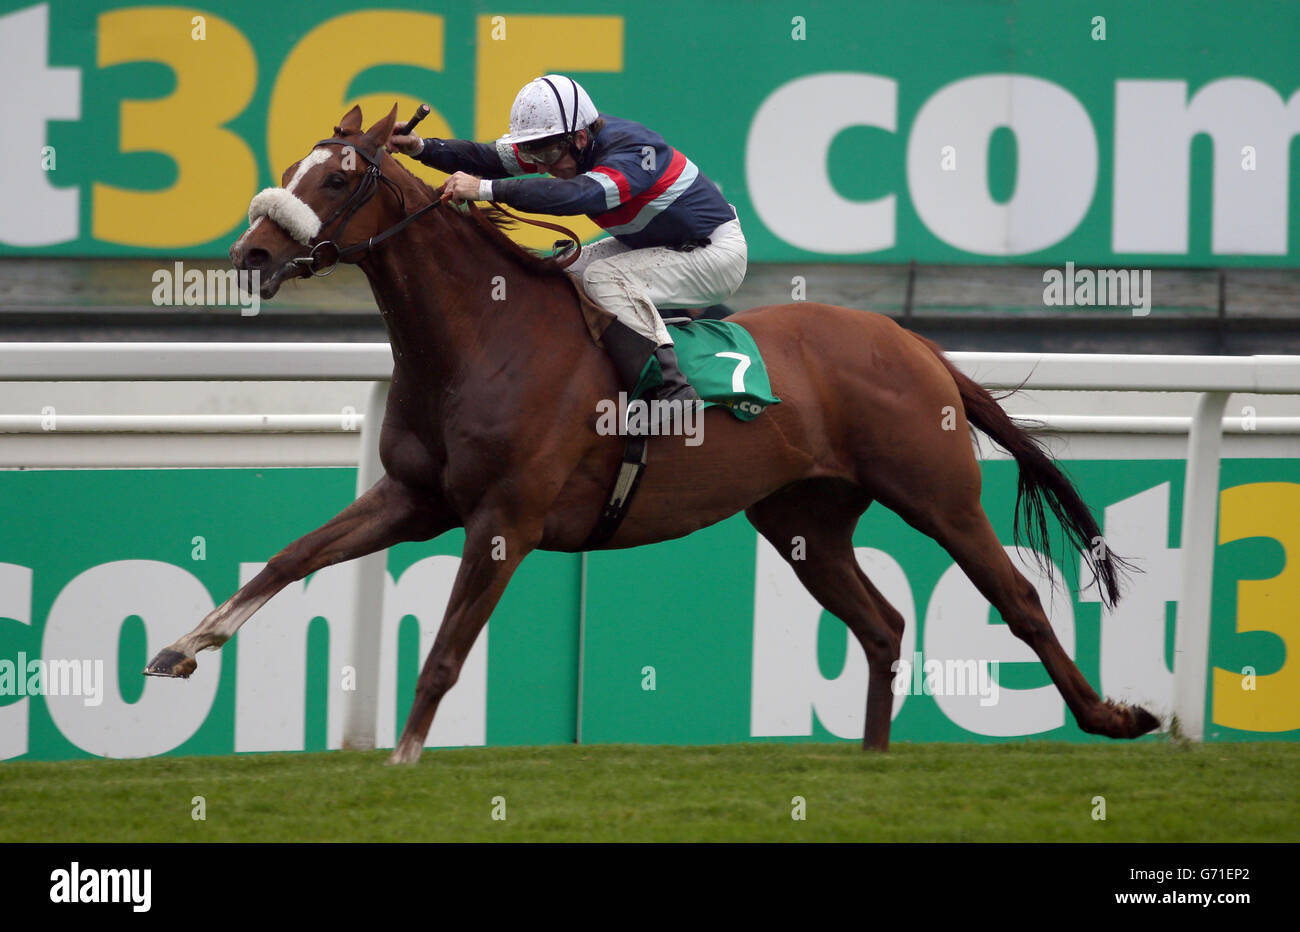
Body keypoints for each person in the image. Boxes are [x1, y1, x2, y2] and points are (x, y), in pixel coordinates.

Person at [386, 74, 747, 420]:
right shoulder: (560, 145)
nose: (544, 165)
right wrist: (421, 147)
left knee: (604, 277)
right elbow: (486, 158)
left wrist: (484, 189)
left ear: (579, 137)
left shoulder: (635, 150)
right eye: (534, 153)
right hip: (666, 246)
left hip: (714, 252)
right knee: (563, 275)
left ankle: (671, 391)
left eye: (548, 153)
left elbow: (578, 196)